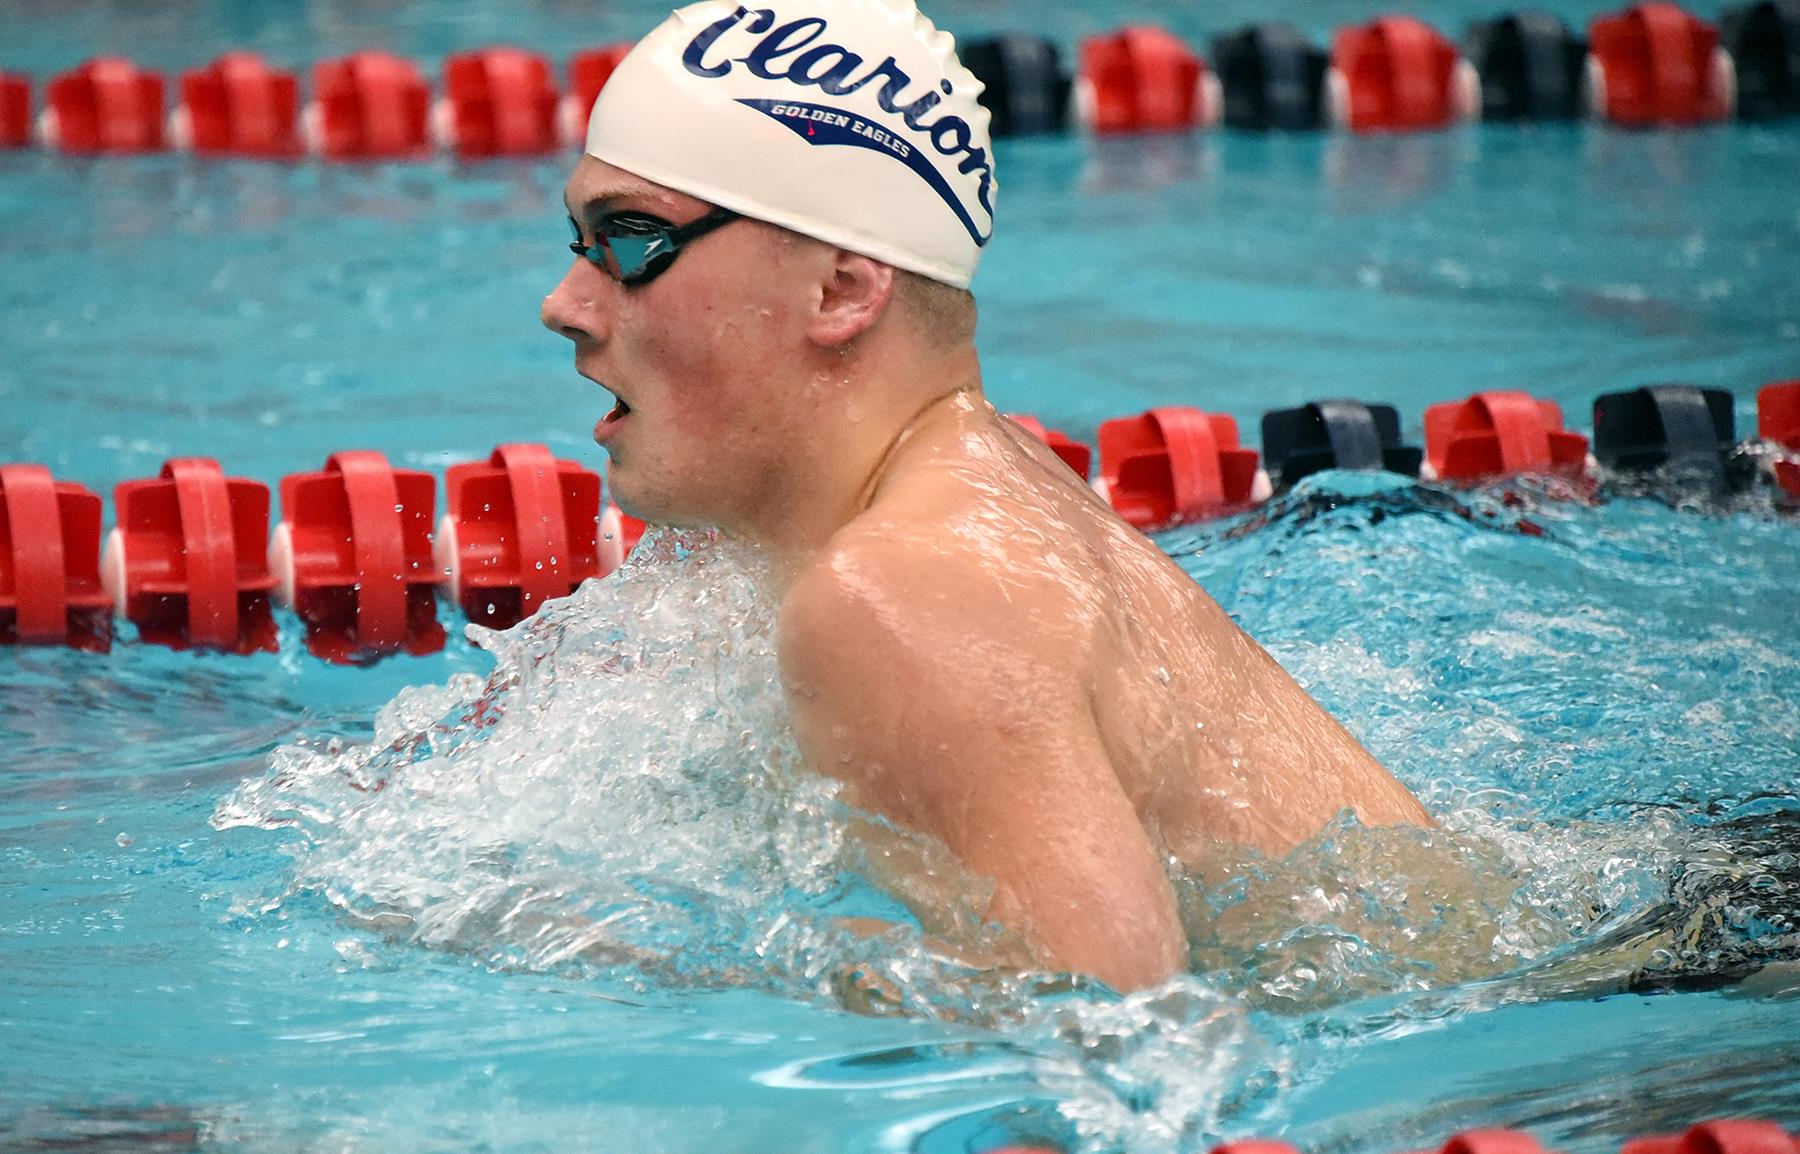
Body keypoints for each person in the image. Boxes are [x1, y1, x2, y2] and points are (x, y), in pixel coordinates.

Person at [540, 0, 1434, 992]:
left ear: (840, 291)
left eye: (627, 242)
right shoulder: (960, 495)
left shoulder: (902, 593)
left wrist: (621, 964)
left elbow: (1119, 1047)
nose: (565, 305)